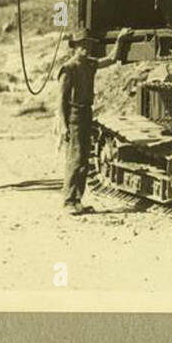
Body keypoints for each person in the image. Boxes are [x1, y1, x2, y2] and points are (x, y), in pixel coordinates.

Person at [57, 29, 132, 215]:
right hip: (74, 115)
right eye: (82, 45)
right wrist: (63, 125)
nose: (86, 48)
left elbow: (112, 59)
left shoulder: (90, 64)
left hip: (86, 114)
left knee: (84, 158)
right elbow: (60, 100)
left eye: (88, 45)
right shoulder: (69, 68)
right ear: (75, 47)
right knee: (75, 158)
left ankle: (77, 200)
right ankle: (69, 201)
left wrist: (120, 40)